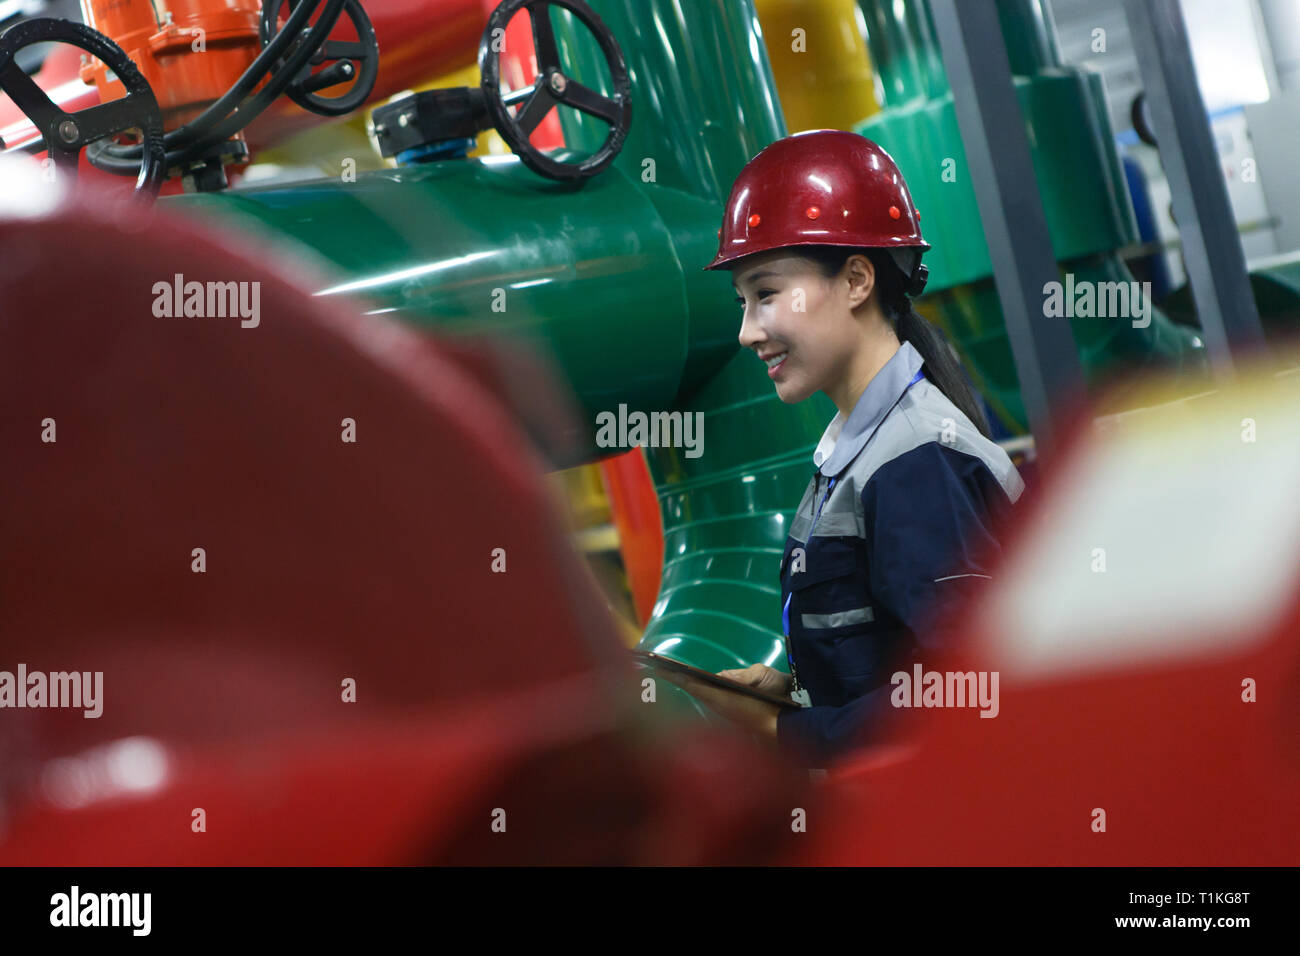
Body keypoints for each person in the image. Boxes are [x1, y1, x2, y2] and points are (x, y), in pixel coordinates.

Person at [667, 129, 1025, 767]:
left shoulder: (916, 462)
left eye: (767, 294)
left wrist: (787, 735)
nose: (748, 331)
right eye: (743, 302)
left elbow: (969, 697)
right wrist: (798, 693)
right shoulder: (857, 454)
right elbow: (891, 662)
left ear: (857, 279)